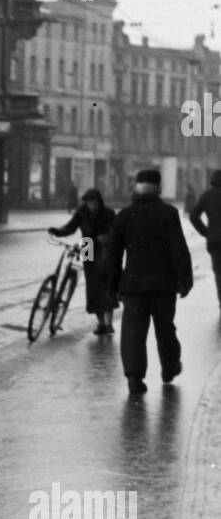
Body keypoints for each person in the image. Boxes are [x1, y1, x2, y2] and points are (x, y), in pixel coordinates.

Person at [107, 168, 193, 396]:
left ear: (136, 187)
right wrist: (185, 278)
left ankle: (134, 376)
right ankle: (170, 367)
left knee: (133, 332)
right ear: (159, 188)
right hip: (163, 284)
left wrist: (111, 286)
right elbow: (179, 249)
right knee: (165, 329)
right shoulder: (168, 213)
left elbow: (112, 254)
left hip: (133, 285)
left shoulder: (124, 215)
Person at [48, 187, 117, 334]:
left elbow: (116, 232)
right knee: (92, 286)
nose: (91, 205)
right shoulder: (82, 212)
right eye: (88, 202)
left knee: (105, 285)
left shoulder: (109, 213)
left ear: (99, 201)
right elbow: (71, 227)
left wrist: (107, 237)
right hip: (87, 245)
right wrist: (58, 232)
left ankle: (109, 323)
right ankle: (101, 323)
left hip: (104, 247)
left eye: (94, 202)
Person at [189, 168, 221, 312]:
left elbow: (193, 216)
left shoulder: (207, 196)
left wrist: (206, 233)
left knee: (219, 274)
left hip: (215, 241)